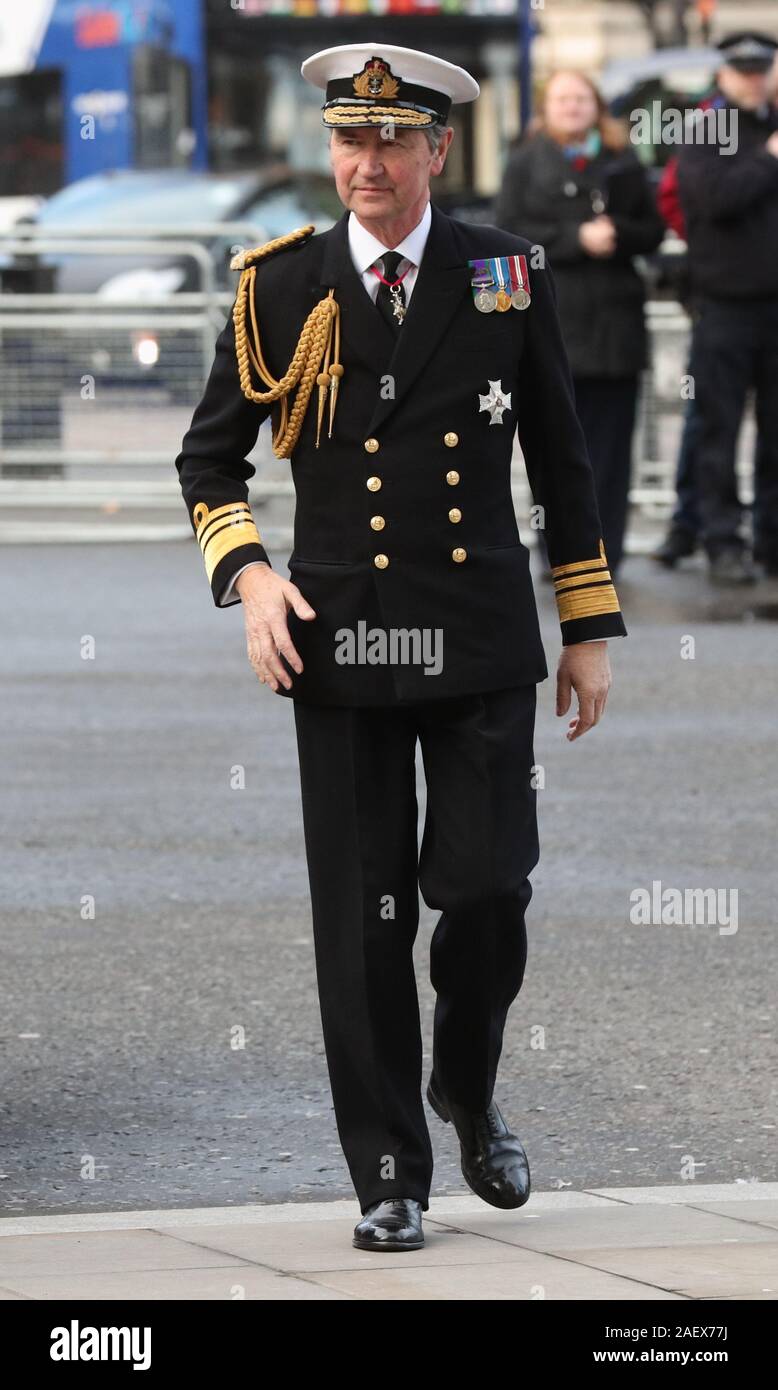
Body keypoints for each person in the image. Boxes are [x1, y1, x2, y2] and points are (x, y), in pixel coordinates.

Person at [174, 42, 626, 1253]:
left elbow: (562, 456)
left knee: (485, 890)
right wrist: (251, 576)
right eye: (348, 140)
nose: (365, 164)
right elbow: (207, 461)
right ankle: (388, 1170)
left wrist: (585, 623)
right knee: (361, 917)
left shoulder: (503, 274)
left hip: (479, 634)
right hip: (340, 644)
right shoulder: (278, 285)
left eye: (390, 141)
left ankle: (466, 1086)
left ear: (436, 149)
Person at [494, 70, 665, 579]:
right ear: (547, 108)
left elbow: (654, 229)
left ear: (596, 106)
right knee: (555, 445)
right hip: (555, 326)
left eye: (581, 98)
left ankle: (605, 549)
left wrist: (619, 235)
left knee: (611, 449)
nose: (572, 107)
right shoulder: (525, 162)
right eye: (563, 99)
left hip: (614, 329)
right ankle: (560, 552)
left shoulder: (624, 161)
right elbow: (507, 231)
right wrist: (574, 238)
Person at [676, 30, 778, 583]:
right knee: (718, 431)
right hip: (724, 305)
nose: (753, 78)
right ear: (724, 74)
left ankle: (772, 540)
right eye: (743, 70)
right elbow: (714, 200)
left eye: (761, 68)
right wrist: (768, 158)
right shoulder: (705, 131)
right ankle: (722, 542)